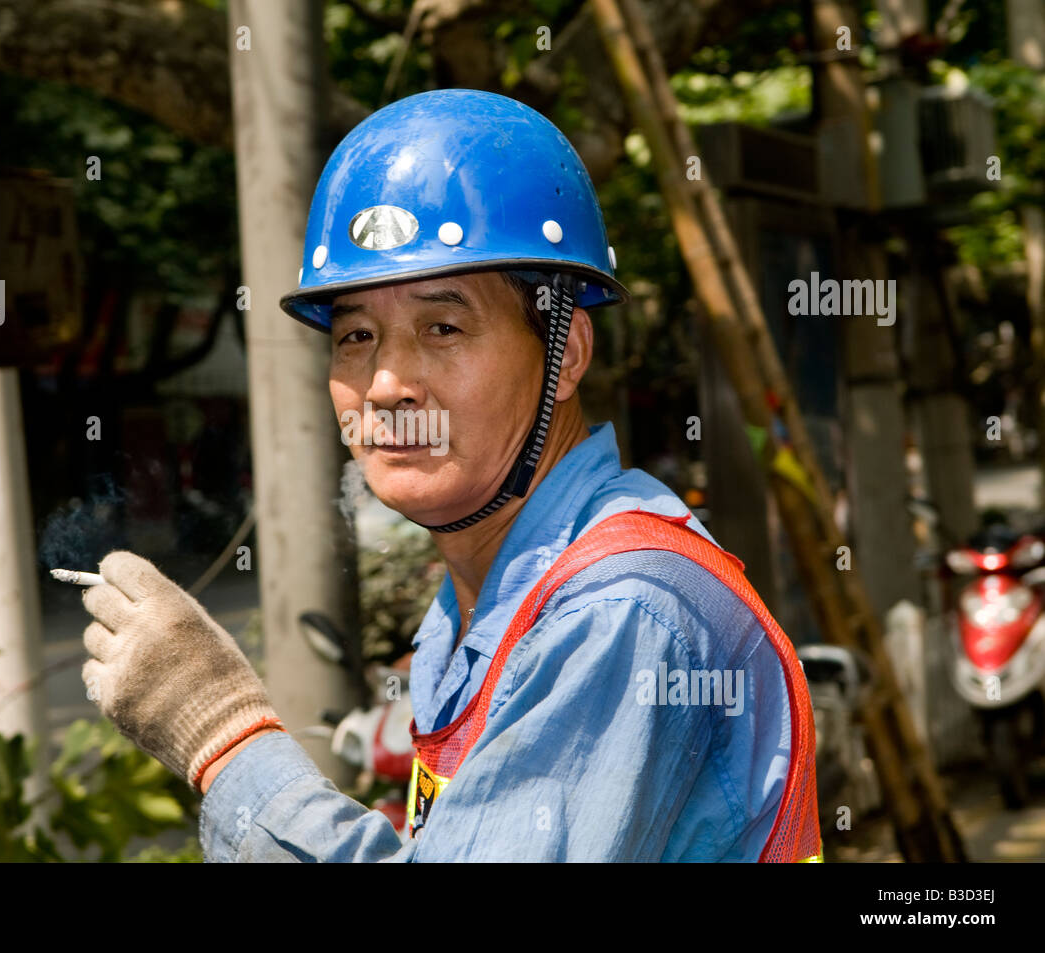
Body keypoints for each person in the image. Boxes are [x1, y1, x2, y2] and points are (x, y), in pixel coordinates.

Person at [79, 88, 820, 862]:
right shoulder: (490, 595)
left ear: (565, 353)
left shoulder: (621, 609)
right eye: (356, 334)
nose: (387, 381)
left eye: (443, 326)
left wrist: (224, 735)